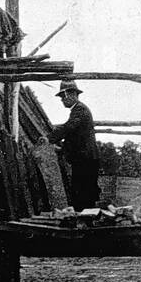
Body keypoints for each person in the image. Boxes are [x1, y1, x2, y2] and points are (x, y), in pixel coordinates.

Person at [44, 80, 100, 211]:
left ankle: (86, 224)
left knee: (84, 193)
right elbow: (75, 137)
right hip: (84, 158)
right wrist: (62, 149)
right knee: (82, 192)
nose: (62, 100)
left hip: (86, 159)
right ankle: (85, 222)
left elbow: (69, 128)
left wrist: (49, 139)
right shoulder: (78, 110)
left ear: (72, 94)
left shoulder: (79, 109)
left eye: (64, 97)